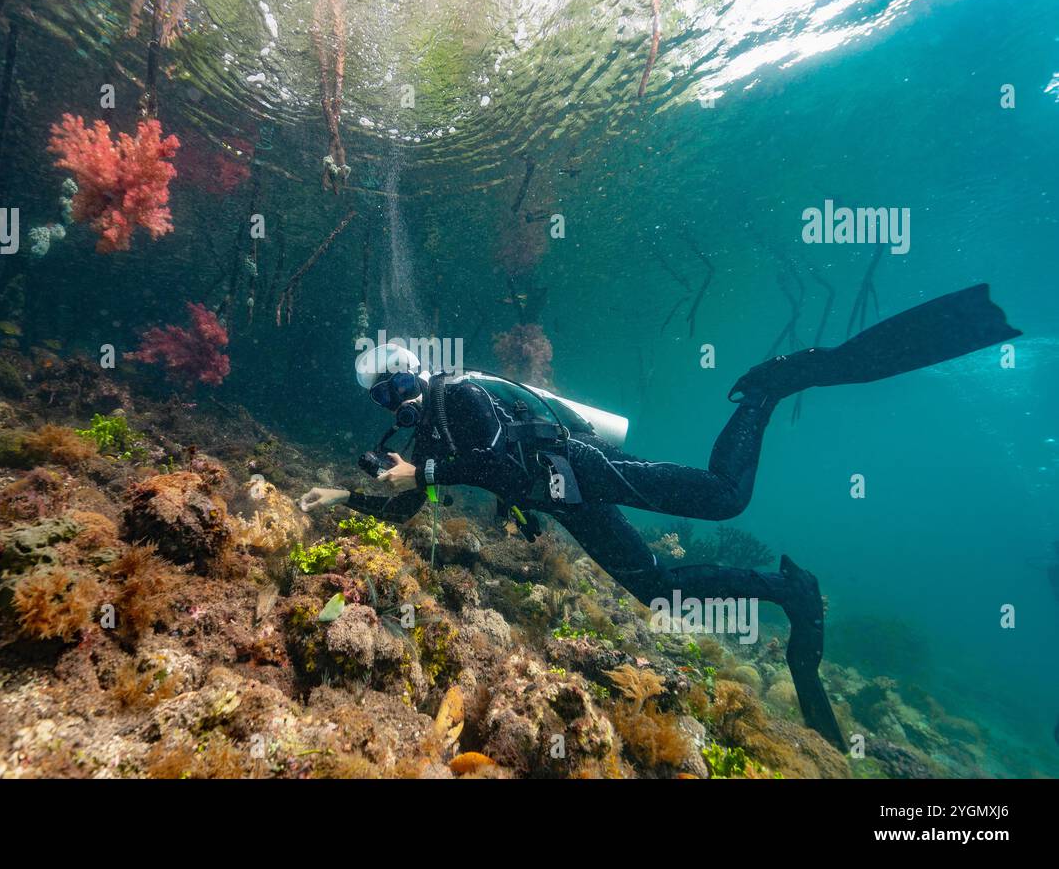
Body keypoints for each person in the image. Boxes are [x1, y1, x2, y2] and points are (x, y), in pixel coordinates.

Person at [301, 284, 1020, 747]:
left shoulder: (458, 396)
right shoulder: (428, 434)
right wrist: (352, 498)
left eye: (392, 386)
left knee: (724, 495)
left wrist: (420, 472)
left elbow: (488, 465)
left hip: (582, 470)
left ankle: (772, 386)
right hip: (564, 500)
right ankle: (784, 589)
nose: (391, 405)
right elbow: (428, 486)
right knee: (651, 587)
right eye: (379, 399)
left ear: (411, 372)